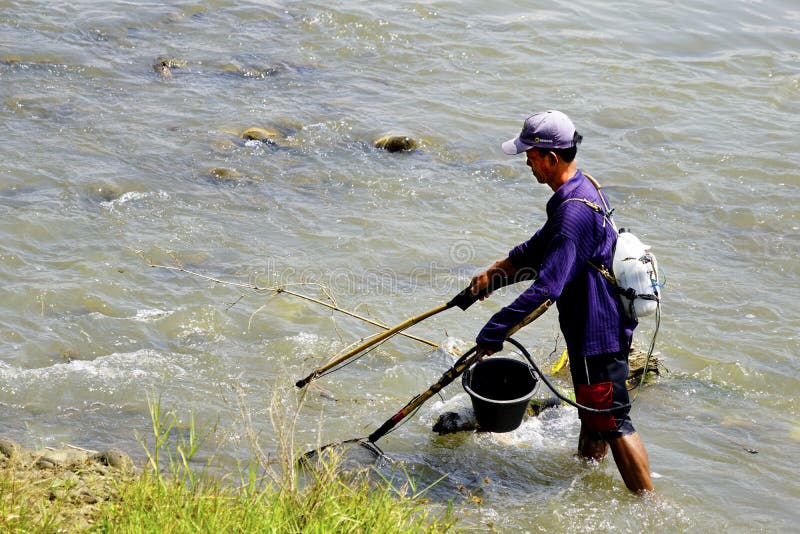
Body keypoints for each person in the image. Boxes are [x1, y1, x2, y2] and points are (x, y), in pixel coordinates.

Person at [469, 110, 654, 493]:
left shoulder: (571, 213)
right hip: (602, 323)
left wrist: (495, 329)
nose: (526, 161)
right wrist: (495, 274)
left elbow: (546, 288)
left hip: (596, 333)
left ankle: (648, 507)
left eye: (530, 154)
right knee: (594, 412)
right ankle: (584, 478)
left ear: (551, 158)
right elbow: (540, 246)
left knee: (613, 420)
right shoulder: (582, 189)